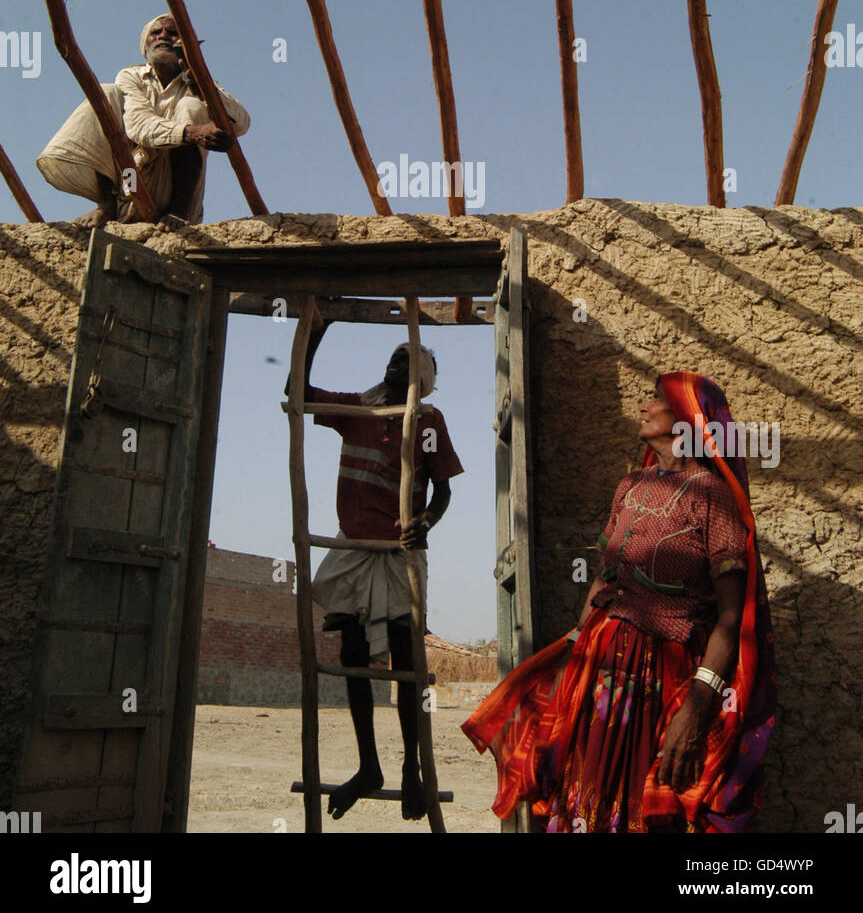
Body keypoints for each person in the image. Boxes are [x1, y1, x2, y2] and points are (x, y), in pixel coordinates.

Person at [462, 371, 776, 833]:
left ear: (688, 419)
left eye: (655, 400)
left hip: (660, 679)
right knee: (581, 796)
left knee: (645, 808)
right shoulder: (631, 486)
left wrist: (697, 704)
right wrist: (573, 651)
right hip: (598, 670)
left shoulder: (713, 499)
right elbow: (602, 579)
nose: (644, 407)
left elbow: (732, 617)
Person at [293, 321, 464, 821]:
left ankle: (412, 766)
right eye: (394, 356)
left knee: (406, 662)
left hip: (397, 553)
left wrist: (424, 522)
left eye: (408, 362)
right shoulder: (357, 410)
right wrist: (315, 330)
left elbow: (443, 491)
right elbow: (296, 393)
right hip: (353, 548)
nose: (395, 365)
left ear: (423, 381)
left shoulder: (429, 422)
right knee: (351, 652)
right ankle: (369, 765)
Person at [36, 13, 249, 227]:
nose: (163, 36)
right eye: (156, 32)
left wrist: (204, 89)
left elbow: (241, 122)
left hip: (175, 197)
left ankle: (179, 210)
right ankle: (107, 205)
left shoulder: (199, 81)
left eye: (173, 33)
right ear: (145, 45)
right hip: (131, 180)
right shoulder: (131, 77)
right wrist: (192, 132)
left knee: (190, 105)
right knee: (105, 94)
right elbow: (138, 126)